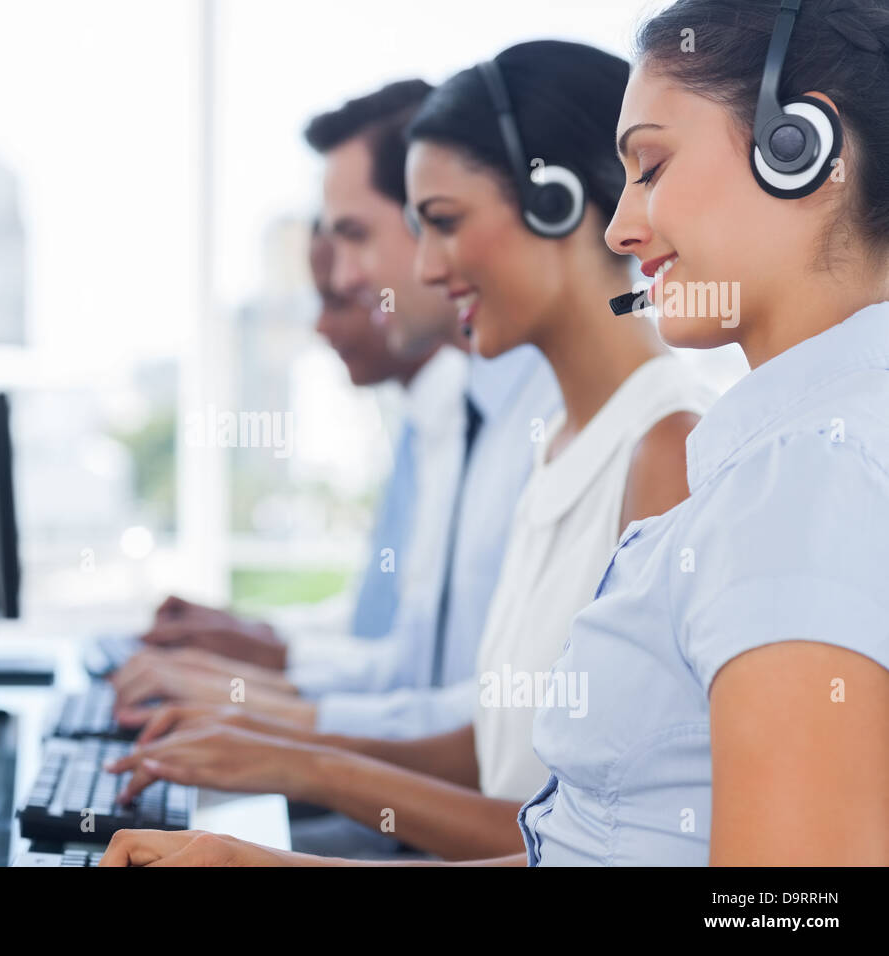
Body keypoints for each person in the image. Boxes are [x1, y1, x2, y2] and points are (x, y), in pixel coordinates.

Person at [101, 0, 889, 865]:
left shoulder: (806, 472)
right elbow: (579, 843)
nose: (625, 225)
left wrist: (295, 770)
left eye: (652, 166)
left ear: (800, 145)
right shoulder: (777, 460)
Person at [112, 80, 560, 745]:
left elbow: (504, 742)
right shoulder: (469, 412)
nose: (348, 281)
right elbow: (412, 660)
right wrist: (249, 681)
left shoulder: (554, 425)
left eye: (357, 237)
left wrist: (262, 715)